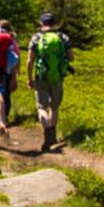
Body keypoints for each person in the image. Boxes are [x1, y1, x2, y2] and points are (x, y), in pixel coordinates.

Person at [26, 12, 73, 153]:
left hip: (41, 77)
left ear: (41, 23)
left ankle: (47, 131)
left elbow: (30, 61)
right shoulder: (62, 37)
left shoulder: (36, 38)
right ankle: (52, 133)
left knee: (41, 108)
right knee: (54, 107)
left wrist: (29, 78)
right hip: (58, 77)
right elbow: (71, 57)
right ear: (54, 23)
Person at [0, 19, 20, 119]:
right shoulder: (12, 39)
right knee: (6, 93)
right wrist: (17, 71)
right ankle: (5, 116)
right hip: (9, 69)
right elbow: (16, 56)